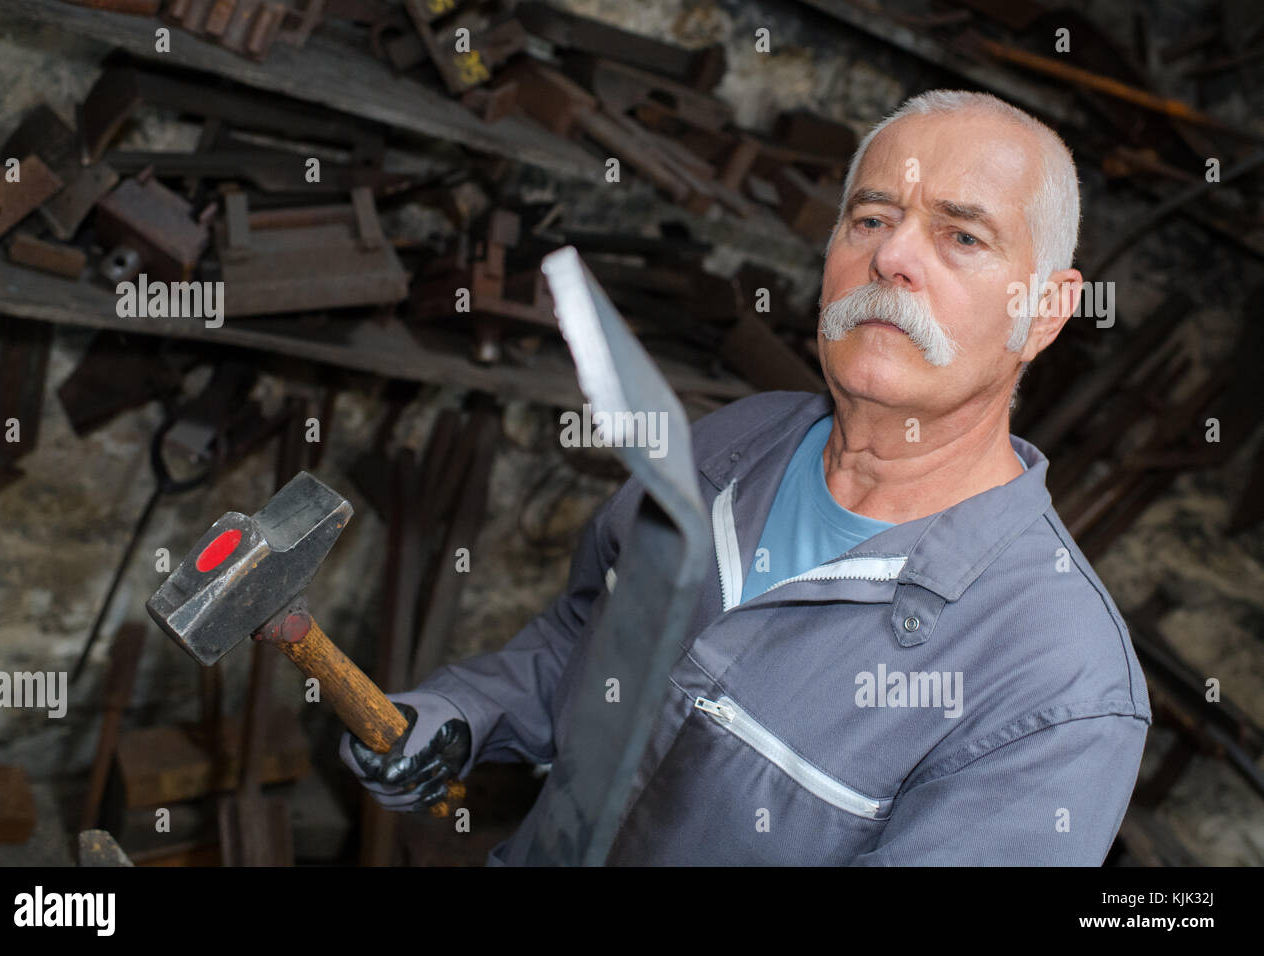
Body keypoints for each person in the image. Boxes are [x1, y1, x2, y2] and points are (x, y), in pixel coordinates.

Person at [341, 89, 1151, 865]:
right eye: (871, 218)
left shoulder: (1058, 684)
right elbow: (581, 648)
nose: (893, 256)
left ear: (1044, 311)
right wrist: (463, 714)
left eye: (963, 238)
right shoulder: (734, 445)